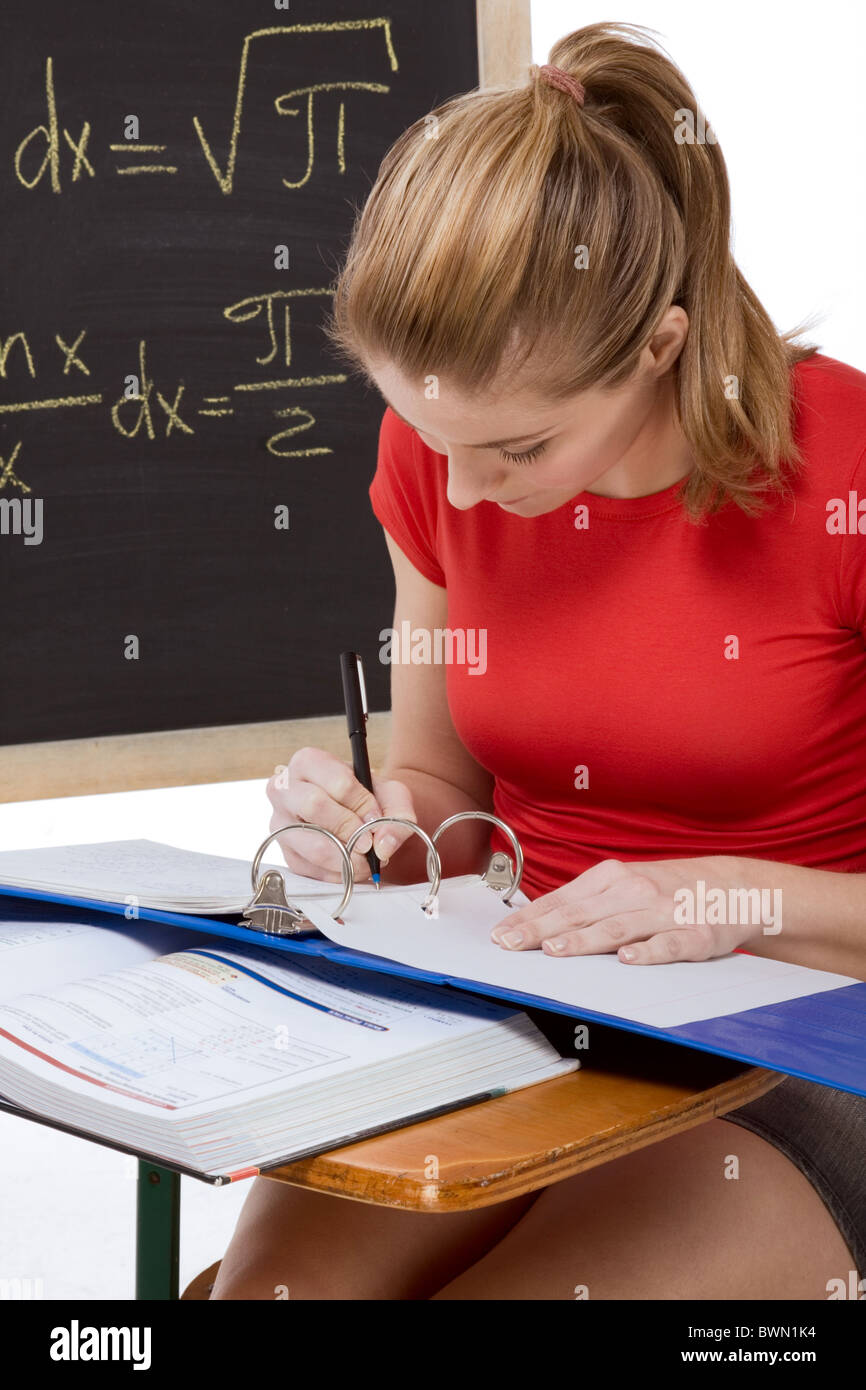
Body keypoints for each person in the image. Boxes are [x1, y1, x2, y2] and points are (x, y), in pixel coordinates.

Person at [209, 22, 866, 1300]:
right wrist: (378, 836)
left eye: (514, 447)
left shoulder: (841, 467)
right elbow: (444, 795)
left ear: (658, 350)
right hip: (519, 1009)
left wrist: (731, 896)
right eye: (420, 428)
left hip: (810, 1034)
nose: (453, 486)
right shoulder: (440, 466)